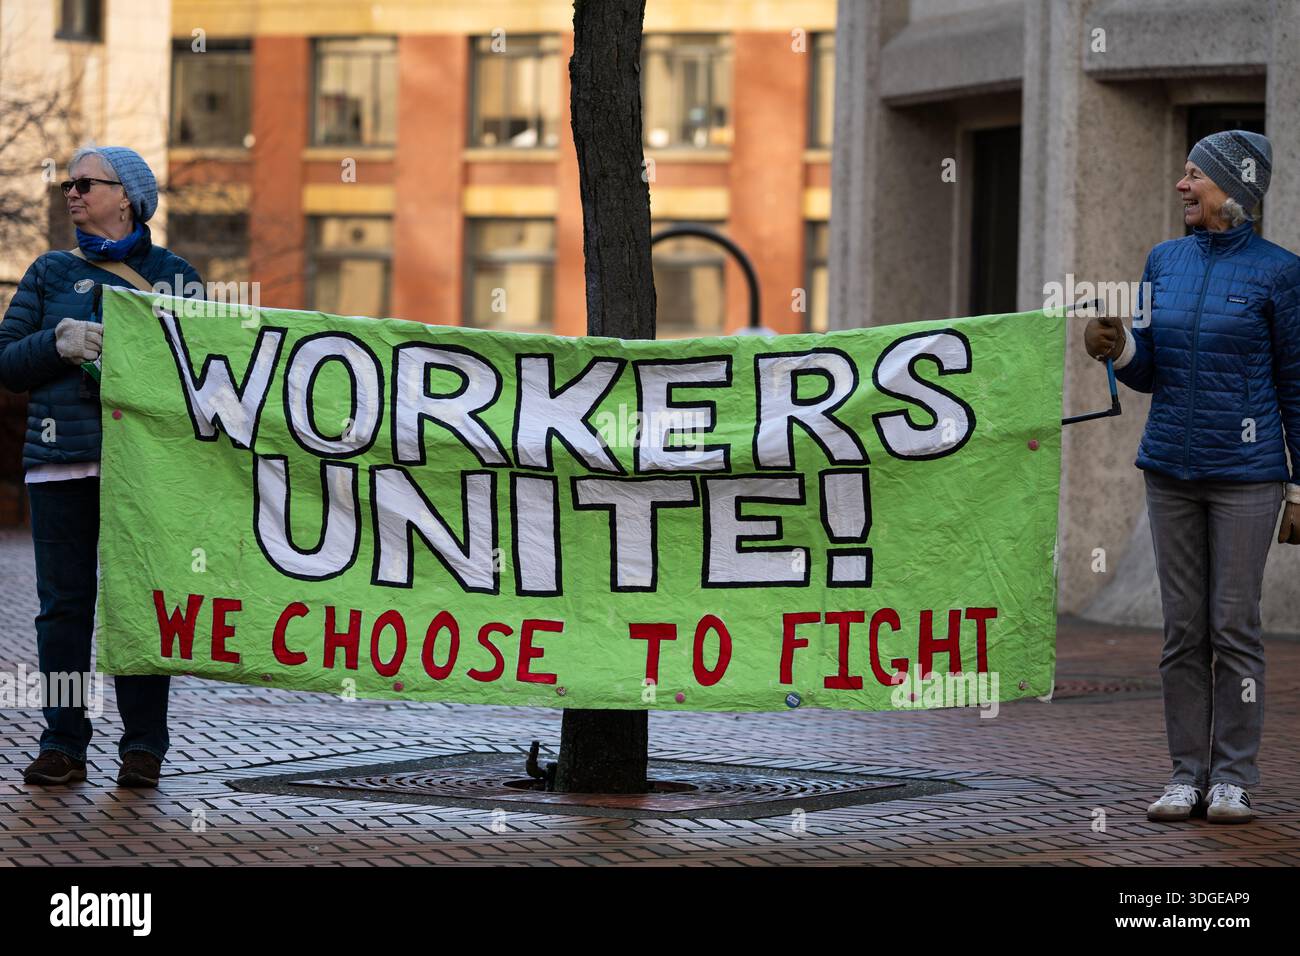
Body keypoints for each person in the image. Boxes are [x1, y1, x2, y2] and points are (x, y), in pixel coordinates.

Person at [1085, 130, 1300, 824]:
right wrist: (1120, 351)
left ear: (1233, 189)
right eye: (1182, 174)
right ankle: (1186, 775)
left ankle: (1233, 778)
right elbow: (1151, 373)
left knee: (1233, 624)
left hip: (1247, 476)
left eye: (1194, 176)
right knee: (1182, 631)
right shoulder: (1164, 261)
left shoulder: (1280, 273)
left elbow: (1295, 383)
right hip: (1169, 470)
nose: (1182, 187)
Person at [0, 146, 203, 787]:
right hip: (58, 467)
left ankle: (143, 748)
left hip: (143, 472)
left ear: (127, 196)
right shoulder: (48, 270)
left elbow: (201, 382)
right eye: (68, 183)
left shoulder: (175, 276)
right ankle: (62, 742)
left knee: (140, 607)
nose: (72, 193)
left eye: (85, 183)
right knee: (63, 609)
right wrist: (55, 343)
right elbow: (7, 365)